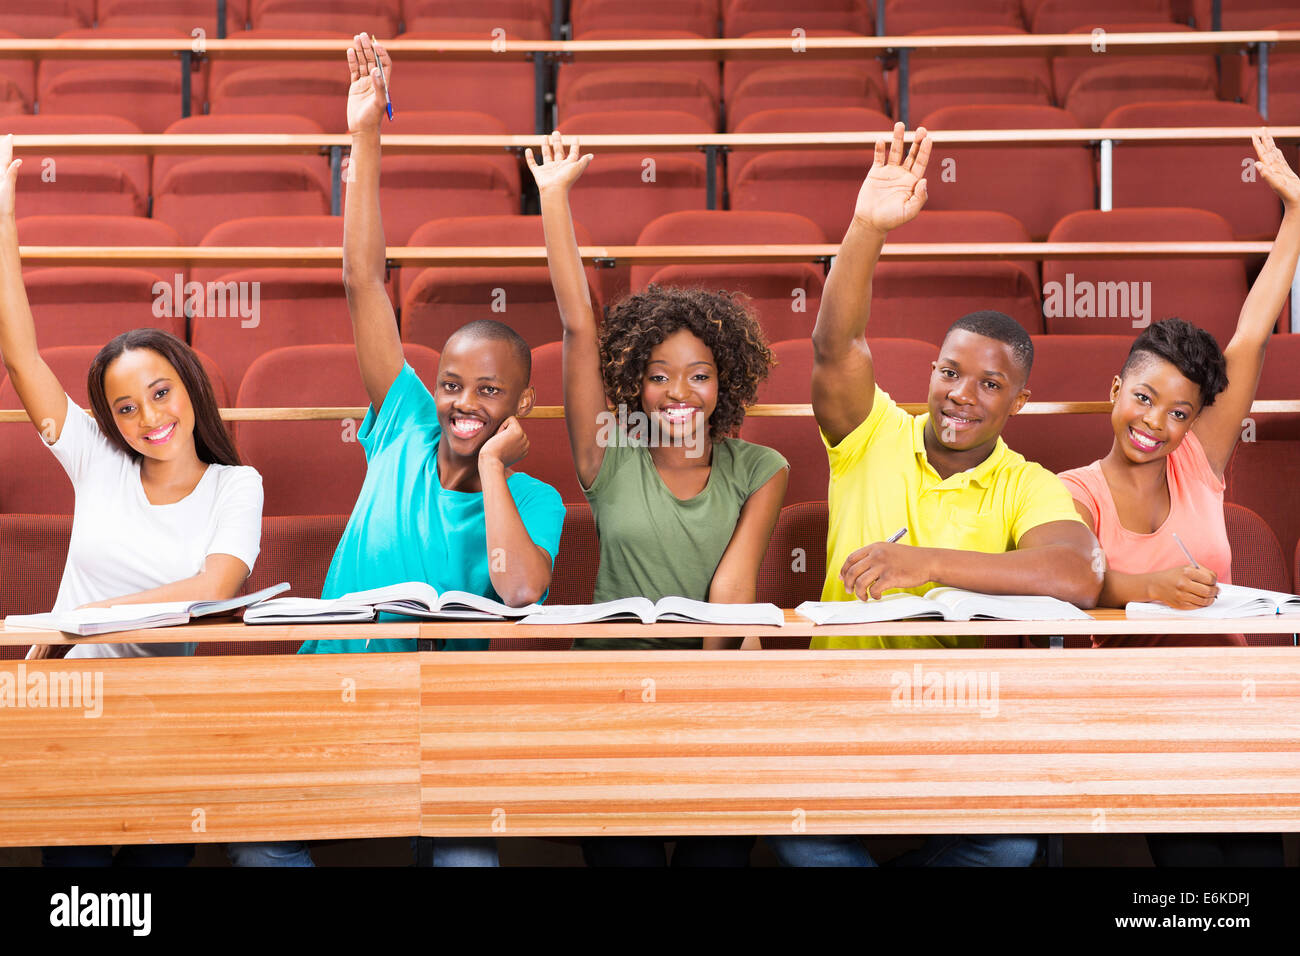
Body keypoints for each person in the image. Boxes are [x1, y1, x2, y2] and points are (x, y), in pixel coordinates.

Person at [226, 33, 565, 869]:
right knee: (260, 854)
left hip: (445, 723)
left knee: (467, 867)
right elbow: (360, 282)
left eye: (488, 393)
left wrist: (491, 468)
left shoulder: (538, 501)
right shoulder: (405, 422)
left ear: (522, 403)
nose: (464, 405)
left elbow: (519, 589)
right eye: (453, 384)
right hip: (329, 701)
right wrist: (365, 134)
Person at [766, 123, 1102, 867]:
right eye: (950, 372)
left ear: (1018, 401)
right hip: (841, 716)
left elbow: (1075, 575)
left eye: (989, 384)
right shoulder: (870, 433)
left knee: (1007, 849)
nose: (961, 395)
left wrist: (927, 562)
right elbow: (834, 347)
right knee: (802, 852)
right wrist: (865, 228)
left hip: (960, 721)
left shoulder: (1028, 484)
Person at [0, 134, 264, 867]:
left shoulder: (235, 486)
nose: (149, 418)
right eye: (124, 408)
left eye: (159, 392)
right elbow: (21, 356)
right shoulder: (97, 460)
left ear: (189, 389)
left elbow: (214, 588)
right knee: (77, 891)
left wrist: (76, 621)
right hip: (69, 706)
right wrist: (2, 219)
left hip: (164, 716)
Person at [528, 131, 789, 866]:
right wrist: (555, 201)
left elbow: (732, 591)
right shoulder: (608, 452)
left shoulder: (761, 467)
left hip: (712, 680)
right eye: (660, 375)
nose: (679, 393)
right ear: (633, 383)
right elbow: (579, 326)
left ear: (725, 382)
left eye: (699, 375)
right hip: (611, 692)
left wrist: (699, 706)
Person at [1058, 128, 1300, 867]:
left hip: (1233, 707)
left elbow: (1253, 334)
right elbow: (1072, 581)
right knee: (1198, 873)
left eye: (1178, 412)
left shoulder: (1198, 460)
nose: (1154, 424)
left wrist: (1296, 213)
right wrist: (1150, 589)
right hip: (1144, 715)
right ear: (1115, 391)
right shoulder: (1072, 493)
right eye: (1143, 398)